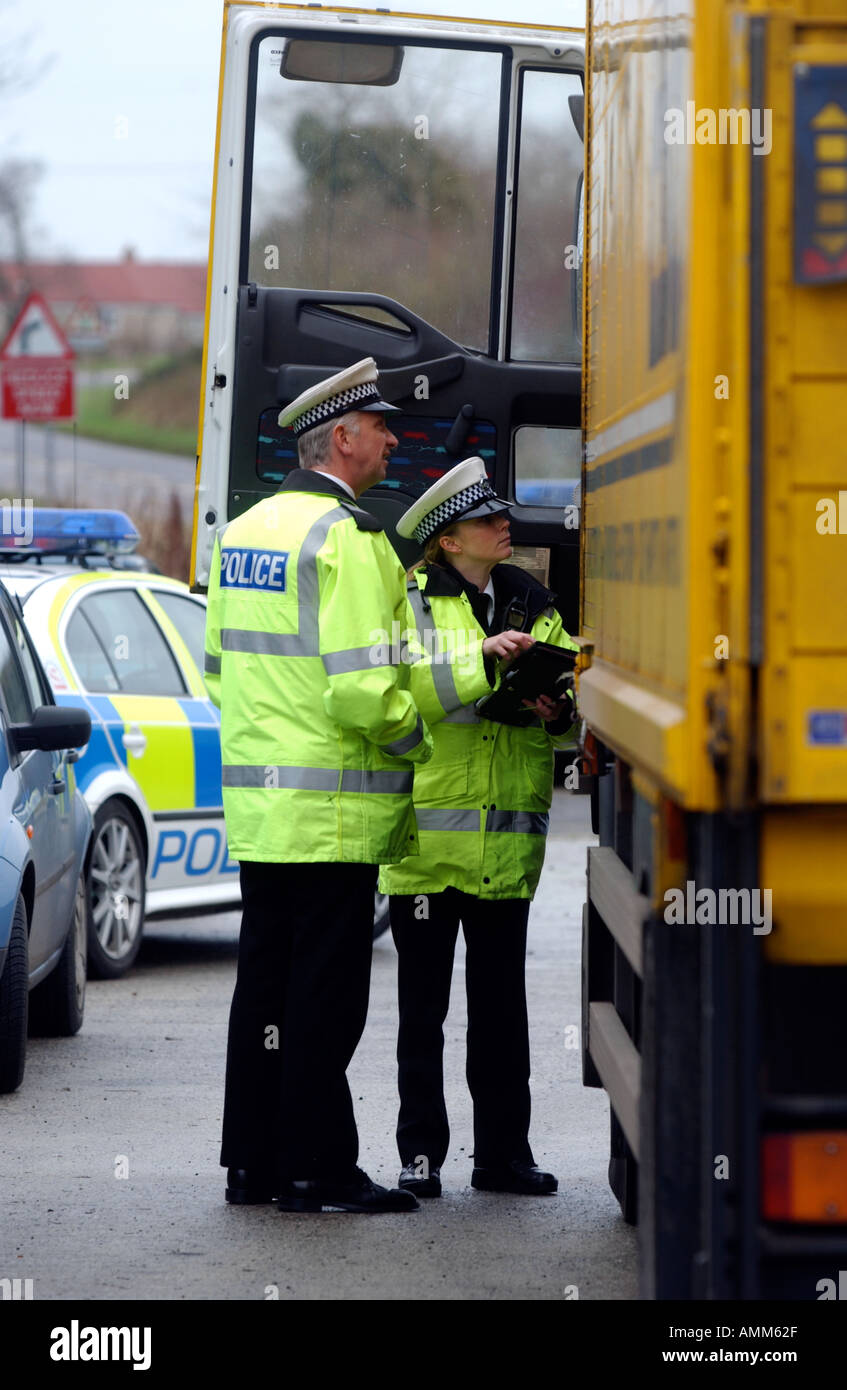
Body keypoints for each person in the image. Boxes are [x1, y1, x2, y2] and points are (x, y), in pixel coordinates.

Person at [204, 357, 433, 1215]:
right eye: (379, 426)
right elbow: (360, 689)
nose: (392, 436)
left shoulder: (247, 530)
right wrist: (416, 738)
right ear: (342, 438)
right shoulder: (352, 539)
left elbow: (220, 672)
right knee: (324, 999)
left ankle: (252, 1164)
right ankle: (316, 1169)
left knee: (263, 987)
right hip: (335, 812)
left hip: (265, 813)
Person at [380, 455, 578, 1199]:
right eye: (487, 520)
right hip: (428, 850)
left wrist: (556, 709)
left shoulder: (534, 599)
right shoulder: (410, 602)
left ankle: (503, 1156)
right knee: (421, 1016)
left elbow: (565, 700)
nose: (505, 526)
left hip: (505, 850)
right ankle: (418, 1156)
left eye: (502, 516)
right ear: (446, 540)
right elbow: (407, 690)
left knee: (501, 1015)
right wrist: (482, 658)